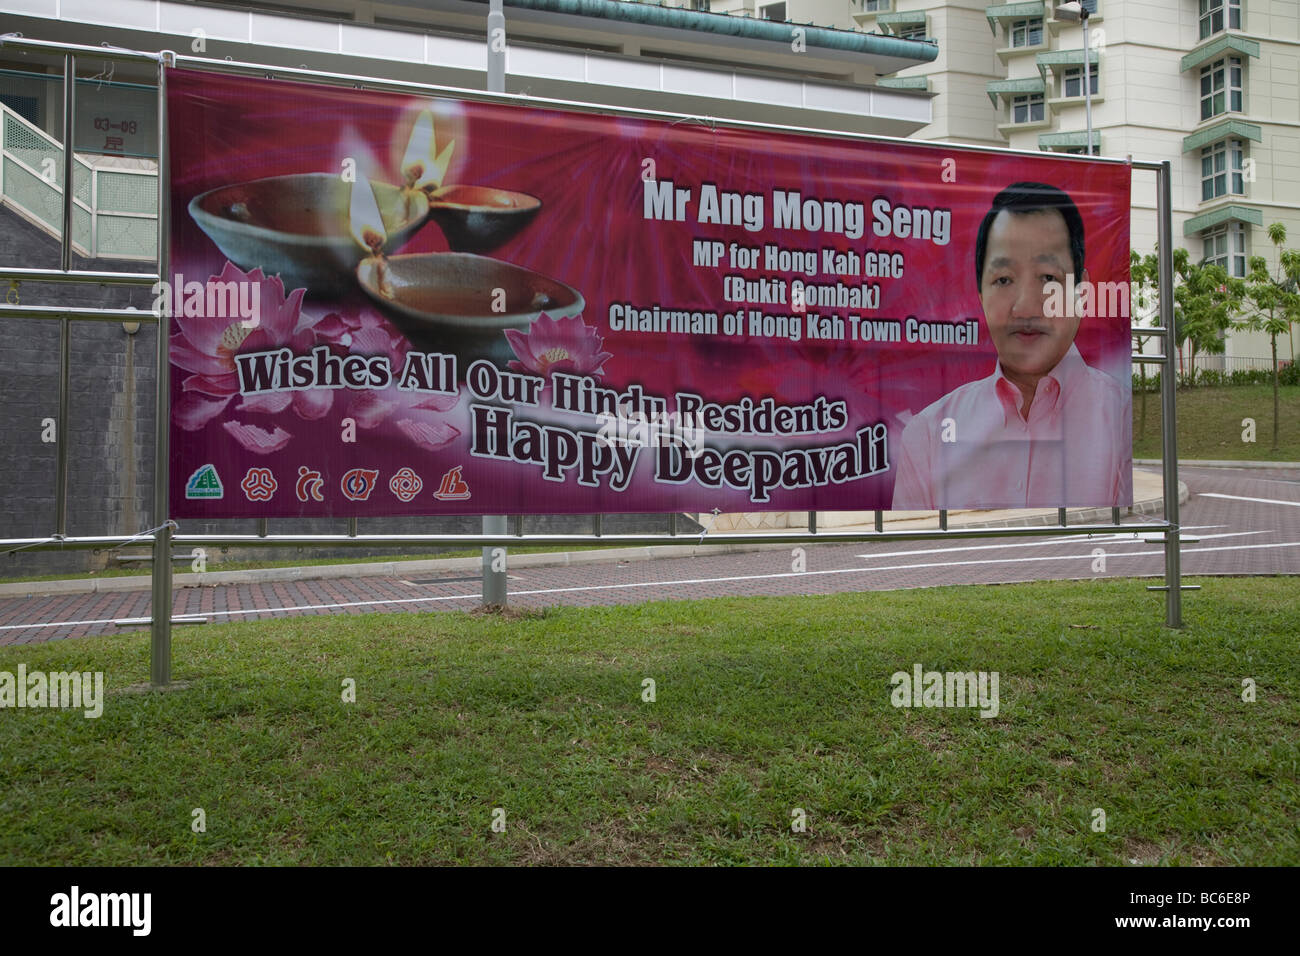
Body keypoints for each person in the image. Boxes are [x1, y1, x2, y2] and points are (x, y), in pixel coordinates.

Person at [891, 181, 1132, 510]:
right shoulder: (928, 435)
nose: (1025, 307)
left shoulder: (1121, 418)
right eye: (1003, 280)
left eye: (1048, 278)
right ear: (980, 296)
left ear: (1082, 292)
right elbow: (914, 556)